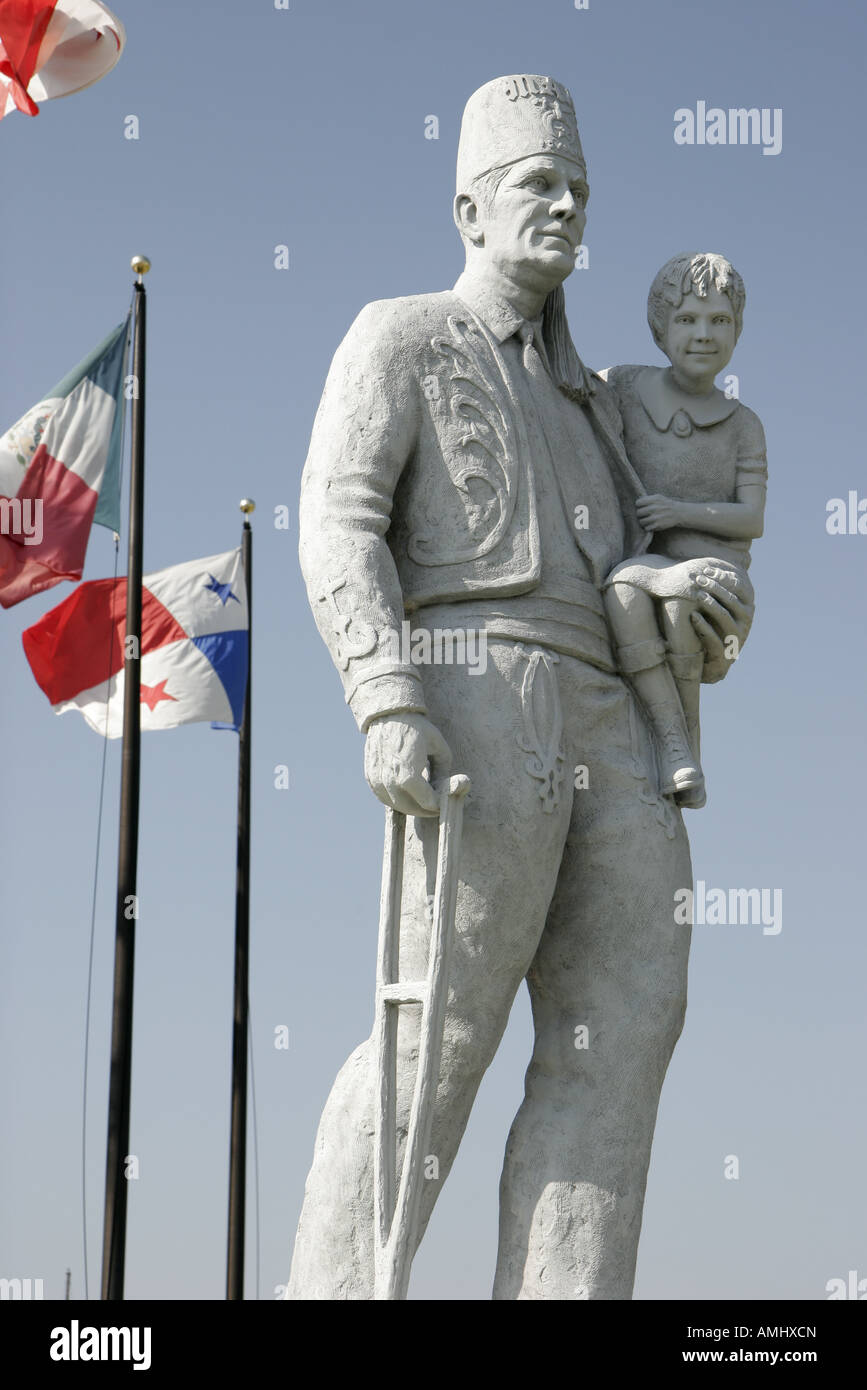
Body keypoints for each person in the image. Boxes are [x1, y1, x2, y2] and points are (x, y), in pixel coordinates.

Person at [288, 74, 754, 1300]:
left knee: (629, 1030)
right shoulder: (400, 334)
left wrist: (697, 601)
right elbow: (337, 523)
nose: (564, 205)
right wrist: (387, 694)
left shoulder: (607, 406)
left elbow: (639, 564)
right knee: (436, 1035)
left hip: (618, 716)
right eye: (538, 184)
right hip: (473, 691)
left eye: (579, 189)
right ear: (469, 207)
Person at [602, 252, 767, 808]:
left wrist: (679, 512)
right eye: (688, 320)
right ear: (660, 327)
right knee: (627, 587)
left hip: (719, 577)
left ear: (737, 331)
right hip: (646, 567)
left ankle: (683, 744)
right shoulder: (623, 387)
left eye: (720, 321)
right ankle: (676, 748)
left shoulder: (744, 425)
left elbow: (753, 518)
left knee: (680, 604)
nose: (703, 335)